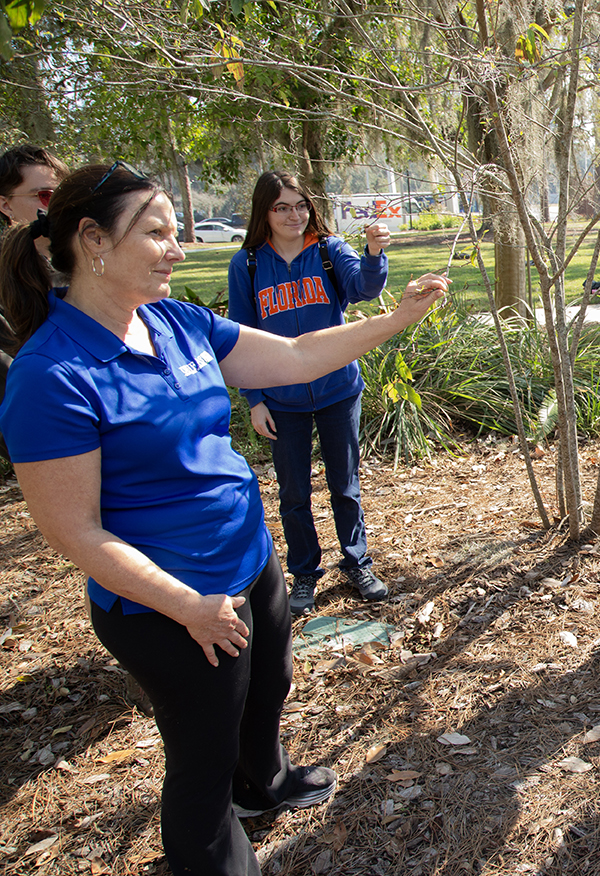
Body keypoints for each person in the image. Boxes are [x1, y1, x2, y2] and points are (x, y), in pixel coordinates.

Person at [0, 162, 447, 875]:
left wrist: (395, 318)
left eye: (176, 232)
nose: (177, 249)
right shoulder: (51, 376)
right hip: (168, 607)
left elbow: (297, 355)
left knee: (268, 689)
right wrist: (189, 607)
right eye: (157, 233)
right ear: (92, 241)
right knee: (201, 760)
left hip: (247, 559)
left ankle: (264, 784)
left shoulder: (174, 321)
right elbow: (72, 531)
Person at [227, 170, 391, 617]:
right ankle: (304, 572)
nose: (293, 215)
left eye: (300, 205)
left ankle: (357, 562)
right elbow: (240, 335)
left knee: (345, 484)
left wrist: (374, 252)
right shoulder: (247, 264)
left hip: (338, 390)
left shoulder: (328, 250)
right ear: (264, 212)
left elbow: (363, 288)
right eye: (281, 207)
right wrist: (254, 399)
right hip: (281, 401)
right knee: (294, 492)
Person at [0, 145, 69, 461]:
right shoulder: (7, 278)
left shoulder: (94, 261)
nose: (55, 205)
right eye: (43, 196)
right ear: (5, 205)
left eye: (62, 193)